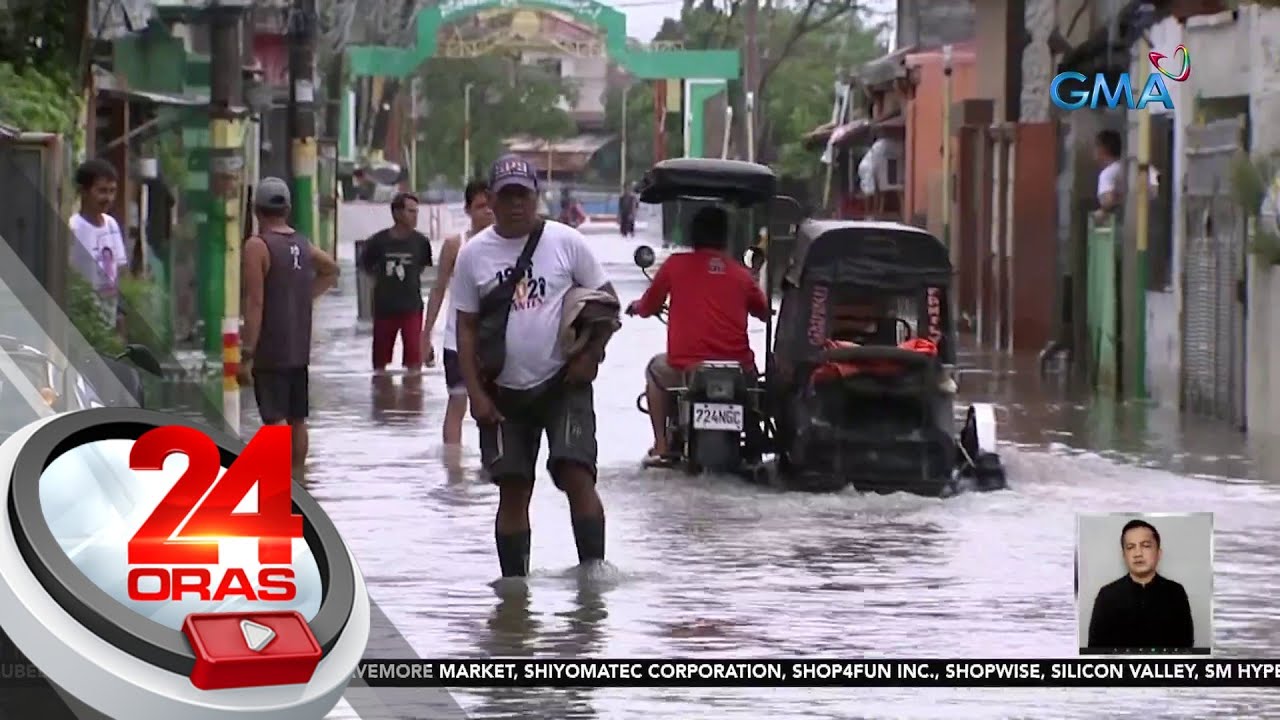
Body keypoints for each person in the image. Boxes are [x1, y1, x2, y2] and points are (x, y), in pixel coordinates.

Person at [452, 155, 616, 579]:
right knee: (513, 489)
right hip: (503, 393)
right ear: (491, 200)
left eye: (523, 196)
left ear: (536, 197)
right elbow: (464, 329)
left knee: (577, 476)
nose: (516, 206)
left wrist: (589, 357)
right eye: (506, 197)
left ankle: (593, 581)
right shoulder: (473, 255)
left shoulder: (566, 242)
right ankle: (513, 592)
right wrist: (476, 395)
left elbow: (607, 303)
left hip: (564, 385)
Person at [626, 206, 770, 466]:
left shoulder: (674, 266)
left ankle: (662, 445)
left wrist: (636, 307)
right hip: (738, 369)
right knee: (754, 391)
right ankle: (752, 439)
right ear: (725, 237)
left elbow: (647, 306)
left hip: (686, 369)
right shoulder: (741, 274)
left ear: (692, 236)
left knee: (654, 370)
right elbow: (764, 312)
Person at [241, 177, 340, 468]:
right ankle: (299, 480)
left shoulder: (257, 246)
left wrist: (247, 352)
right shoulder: (301, 243)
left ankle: (280, 486)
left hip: (271, 348)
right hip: (299, 347)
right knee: (297, 418)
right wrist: (303, 296)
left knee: (274, 419)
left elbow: (255, 303)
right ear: (287, 209)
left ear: (256, 210)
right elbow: (331, 269)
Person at [423, 179, 494, 446]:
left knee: (496, 407)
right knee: (457, 403)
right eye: (480, 206)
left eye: (491, 206)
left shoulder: (510, 246)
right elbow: (438, 289)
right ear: (467, 210)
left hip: (495, 344)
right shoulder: (455, 245)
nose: (487, 211)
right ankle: (453, 473)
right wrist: (425, 334)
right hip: (457, 342)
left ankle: (493, 470)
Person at [1086, 518, 1195, 651]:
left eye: (1146, 545)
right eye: (1130, 547)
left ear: (1159, 553)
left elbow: (1186, 646)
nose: (1138, 554)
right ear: (1124, 555)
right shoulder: (1107, 595)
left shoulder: (1176, 592)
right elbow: (1095, 651)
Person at [360, 192, 433, 374]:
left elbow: (422, 267)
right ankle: (382, 399)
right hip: (385, 308)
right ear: (397, 213)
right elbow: (367, 267)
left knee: (414, 365)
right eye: (410, 211)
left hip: (412, 308)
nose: (415, 216)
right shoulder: (378, 242)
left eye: (416, 212)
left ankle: (414, 399)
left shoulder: (421, 242)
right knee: (379, 366)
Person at [69, 159, 129, 331]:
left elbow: (120, 271)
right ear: (83, 191)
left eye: (112, 191)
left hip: (108, 320)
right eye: (102, 191)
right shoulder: (73, 228)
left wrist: (121, 313)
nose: (108, 198)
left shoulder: (111, 225)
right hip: (83, 323)